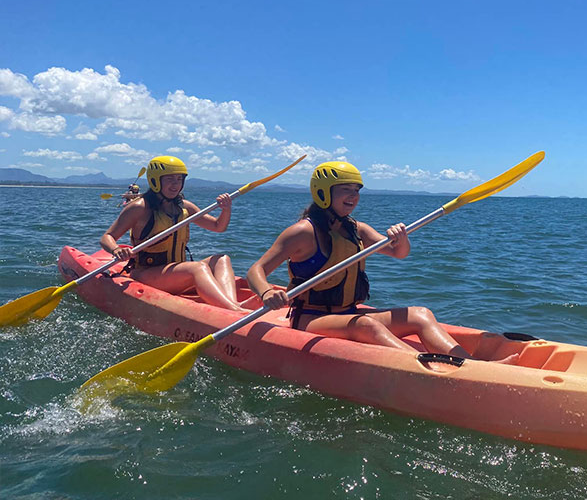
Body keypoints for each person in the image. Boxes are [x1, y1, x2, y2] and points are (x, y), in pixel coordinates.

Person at [247, 161, 516, 362]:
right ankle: (430, 368)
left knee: (420, 315)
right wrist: (267, 292)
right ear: (323, 192)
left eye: (356, 190)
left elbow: (399, 253)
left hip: (347, 312)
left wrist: (400, 237)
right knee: (366, 325)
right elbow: (256, 270)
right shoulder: (302, 232)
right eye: (345, 190)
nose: (353, 196)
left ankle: (472, 366)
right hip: (311, 318)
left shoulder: (357, 229)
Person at [100, 155, 246, 312]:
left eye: (179, 179)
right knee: (197, 268)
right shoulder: (139, 208)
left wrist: (226, 209)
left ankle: (232, 305)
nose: (175, 184)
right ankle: (234, 311)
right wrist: (116, 250)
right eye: (169, 179)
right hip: (146, 273)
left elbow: (218, 227)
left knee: (221, 259)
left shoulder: (185, 207)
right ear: (155, 181)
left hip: (175, 273)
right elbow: (107, 237)